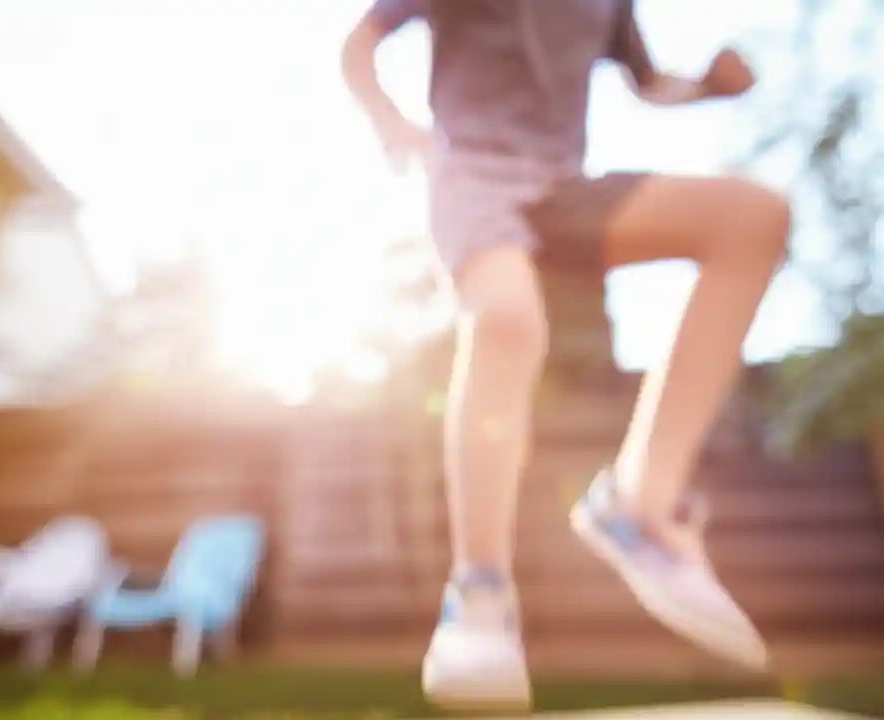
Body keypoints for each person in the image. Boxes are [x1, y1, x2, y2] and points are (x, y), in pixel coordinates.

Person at [342, 0, 789, 710]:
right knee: (509, 321)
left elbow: (649, 83)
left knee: (752, 218)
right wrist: (390, 122)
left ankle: (642, 505)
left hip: (563, 186)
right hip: (472, 175)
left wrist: (707, 86)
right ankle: (479, 591)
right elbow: (361, 41)